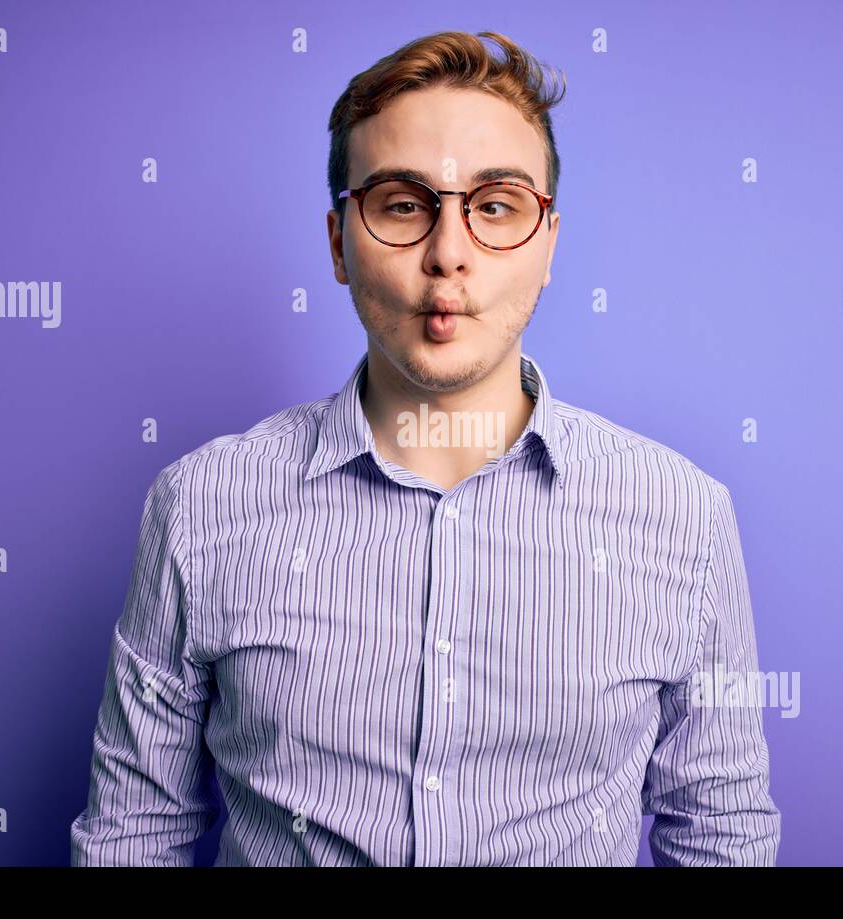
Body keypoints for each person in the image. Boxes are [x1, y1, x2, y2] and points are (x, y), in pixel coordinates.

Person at [70, 30, 780, 866]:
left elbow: (723, 836)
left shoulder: (683, 517)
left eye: (497, 206)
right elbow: (133, 837)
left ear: (549, 244)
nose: (449, 255)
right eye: (403, 205)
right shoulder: (199, 506)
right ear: (338, 242)